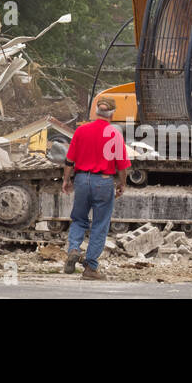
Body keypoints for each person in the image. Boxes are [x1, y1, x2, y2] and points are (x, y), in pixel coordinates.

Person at [61, 97, 130, 279]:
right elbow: (122, 166)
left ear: (96, 112)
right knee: (100, 224)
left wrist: (66, 180)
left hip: (82, 180)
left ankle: (74, 248)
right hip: (104, 181)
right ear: (112, 113)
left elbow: (69, 160)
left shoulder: (81, 130)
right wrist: (122, 184)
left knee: (78, 219)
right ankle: (90, 268)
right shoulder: (114, 134)